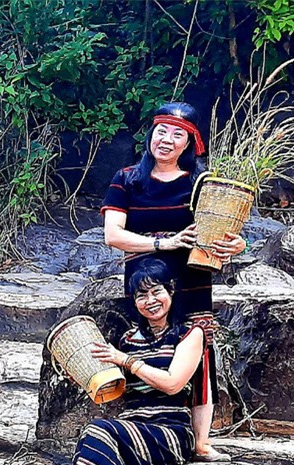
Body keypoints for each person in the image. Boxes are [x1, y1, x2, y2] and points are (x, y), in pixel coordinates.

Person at [27, 257, 220, 465]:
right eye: (142, 295)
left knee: (100, 431)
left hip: (171, 430)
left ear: (171, 292)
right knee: (96, 432)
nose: (150, 300)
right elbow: (116, 390)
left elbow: (172, 383)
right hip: (132, 426)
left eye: (156, 292)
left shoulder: (189, 335)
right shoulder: (129, 339)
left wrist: (126, 360)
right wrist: (85, 374)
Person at [102, 100, 243, 407]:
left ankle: (201, 441)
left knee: (199, 349)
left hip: (192, 278)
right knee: (145, 343)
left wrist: (236, 245)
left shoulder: (202, 182)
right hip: (145, 281)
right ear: (151, 134)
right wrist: (162, 244)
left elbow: (223, 230)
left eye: (177, 135)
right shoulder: (127, 179)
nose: (166, 140)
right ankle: (143, 416)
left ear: (190, 143)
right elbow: (113, 235)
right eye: (161, 131)